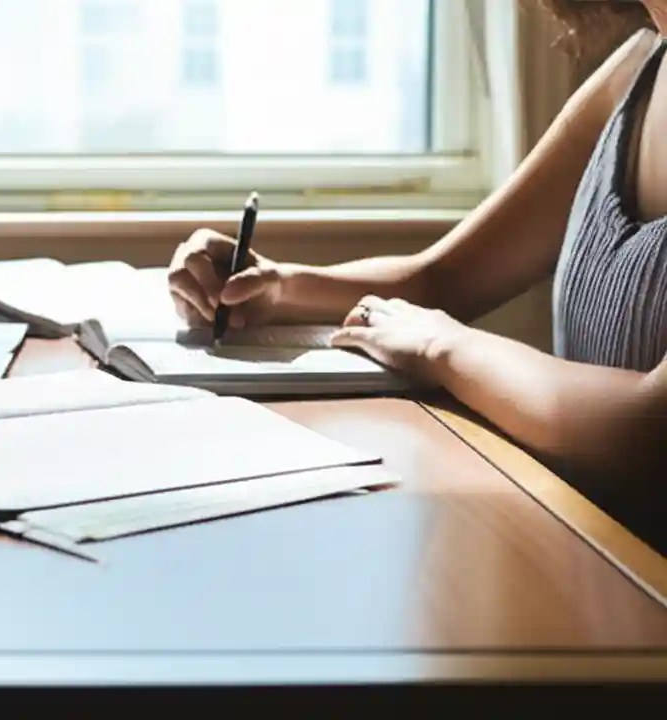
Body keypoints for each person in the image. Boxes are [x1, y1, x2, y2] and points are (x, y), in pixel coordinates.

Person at [167, 1, 667, 552]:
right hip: (594, 549)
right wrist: (280, 287)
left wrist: (442, 345)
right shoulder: (639, 67)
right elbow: (443, 277)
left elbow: (646, 426)